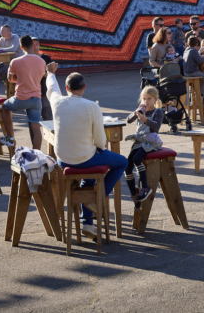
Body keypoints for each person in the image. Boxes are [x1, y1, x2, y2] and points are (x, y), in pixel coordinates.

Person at [47, 66, 128, 227]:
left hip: (63, 160)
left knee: (89, 177)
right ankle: (98, 198)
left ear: (67, 88)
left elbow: (52, 88)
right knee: (122, 162)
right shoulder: (91, 106)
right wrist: (100, 149)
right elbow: (100, 141)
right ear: (84, 87)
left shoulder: (56, 102)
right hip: (85, 159)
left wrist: (50, 73)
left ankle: (88, 223)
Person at [0, 35, 47, 152]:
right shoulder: (42, 61)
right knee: (36, 128)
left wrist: (20, 79)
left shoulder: (15, 61)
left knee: (5, 107)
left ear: (21, 47)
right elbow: (41, 76)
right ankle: (37, 154)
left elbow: (10, 79)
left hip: (20, 99)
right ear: (32, 44)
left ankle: (10, 137)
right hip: (36, 99)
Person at [124, 86, 165, 202]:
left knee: (137, 159)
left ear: (155, 99)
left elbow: (156, 127)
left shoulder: (158, 111)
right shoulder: (141, 109)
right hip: (140, 140)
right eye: (144, 99)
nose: (146, 101)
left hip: (151, 141)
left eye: (149, 99)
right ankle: (134, 192)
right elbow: (128, 120)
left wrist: (145, 119)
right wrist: (135, 113)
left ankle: (145, 187)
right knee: (128, 165)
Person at [0, 24, 23, 96]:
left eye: (2, 31)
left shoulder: (15, 37)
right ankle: (9, 85)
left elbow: (13, 49)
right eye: (0, 31)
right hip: (7, 61)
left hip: (18, 61)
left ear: (8, 31)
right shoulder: (1, 39)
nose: (1, 32)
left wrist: (0, 49)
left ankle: (12, 86)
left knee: (2, 70)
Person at [31, 38, 54, 121]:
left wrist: (43, 73)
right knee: (33, 120)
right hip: (32, 93)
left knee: (48, 118)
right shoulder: (26, 59)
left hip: (45, 92)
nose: (35, 47)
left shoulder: (46, 58)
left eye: (37, 44)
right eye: (33, 45)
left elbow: (52, 75)